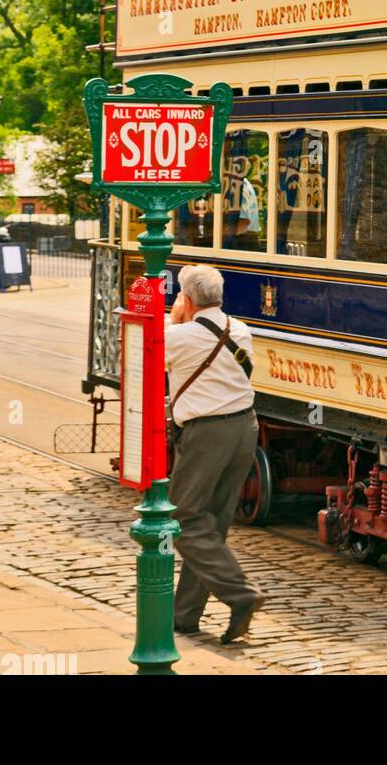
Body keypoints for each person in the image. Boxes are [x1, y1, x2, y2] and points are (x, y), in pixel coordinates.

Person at [165, 263, 262, 643]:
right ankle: (184, 616)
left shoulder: (179, 336)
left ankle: (241, 595)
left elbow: (144, 349)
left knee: (182, 519)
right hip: (244, 429)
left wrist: (175, 318)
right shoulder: (238, 328)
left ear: (186, 300)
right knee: (211, 525)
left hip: (207, 434)